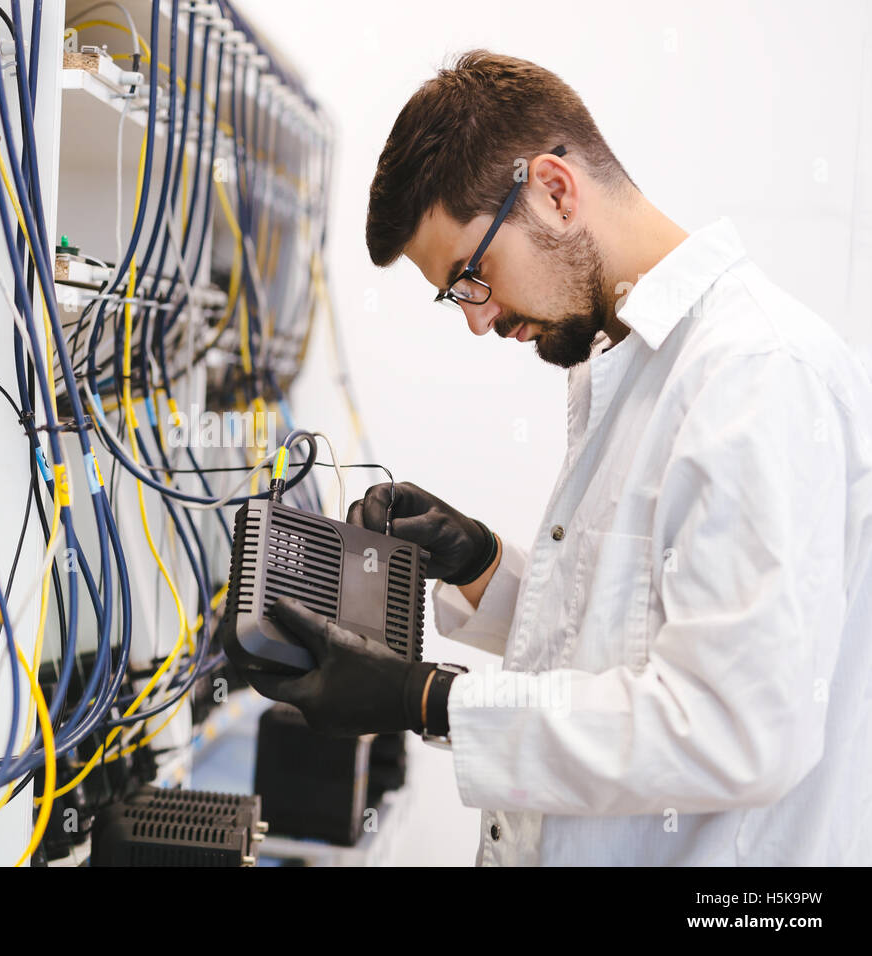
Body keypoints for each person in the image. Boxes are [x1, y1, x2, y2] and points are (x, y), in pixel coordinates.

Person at [245, 51, 872, 865]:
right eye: (456, 296)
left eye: (473, 278)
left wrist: (429, 700)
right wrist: (479, 563)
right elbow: (626, 639)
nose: (478, 320)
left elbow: (734, 729)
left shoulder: (755, 375)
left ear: (553, 190)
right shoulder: (633, 364)